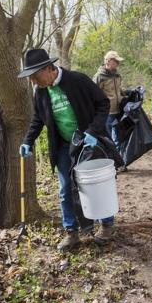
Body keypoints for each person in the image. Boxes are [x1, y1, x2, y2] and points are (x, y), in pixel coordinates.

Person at [18, 48, 116, 251]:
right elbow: (38, 119)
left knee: (95, 185)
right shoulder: (41, 92)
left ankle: (106, 225)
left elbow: (103, 104)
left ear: (48, 69)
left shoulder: (78, 80)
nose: (33, 82)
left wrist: (93, 130)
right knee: (65, 190)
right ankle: (71, 232)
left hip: (86, 143)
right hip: (63, 145)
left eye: (35, 76)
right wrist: (28, 140)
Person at [93, 50, 128, 170]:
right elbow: (94, 94)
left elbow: (119, 91)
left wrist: (127, 94)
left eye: (118, 61)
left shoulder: (117, 75)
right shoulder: (99, 76)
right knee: (108, 140)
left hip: (118, 111)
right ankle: (111, 165)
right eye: (116, 61)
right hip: (106, 113)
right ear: (108, 61)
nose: (118, 63)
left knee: (118, 138)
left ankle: (119, 163)